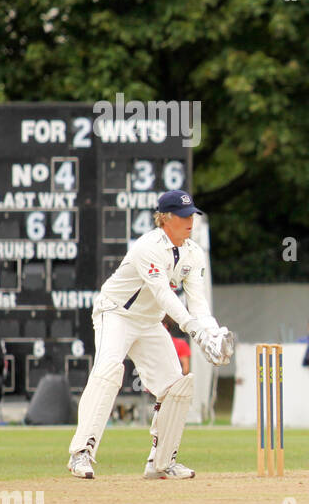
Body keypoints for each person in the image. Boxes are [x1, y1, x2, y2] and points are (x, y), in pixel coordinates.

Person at [66, 190, 234, 480]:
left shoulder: (194, 253)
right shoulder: (148, 247)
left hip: (149, 322)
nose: (189, 221)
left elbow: (198, 302)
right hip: (116, 313)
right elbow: (165, 297)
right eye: (183, 217)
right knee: (108, 372)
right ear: (166, 219)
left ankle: (161, 461)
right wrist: (194, 331)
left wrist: (212, 332)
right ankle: (81, 454)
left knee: (175, 386)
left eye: (192, 215)